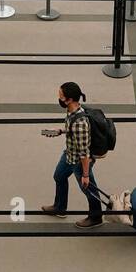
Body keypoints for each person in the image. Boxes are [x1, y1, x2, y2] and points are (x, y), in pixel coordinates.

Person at [40, 82, 108, 229]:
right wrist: (61, 131)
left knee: (89, 188)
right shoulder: (73, 111)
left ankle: (96, 217)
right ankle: (60, 207)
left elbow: (84, 152)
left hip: (79, 161)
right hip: (69, 154)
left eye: (61, 97)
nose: (59, 99)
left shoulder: (80, 123)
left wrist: (85, 174)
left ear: (69, 100)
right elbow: (73, 130)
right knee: (59, 176)